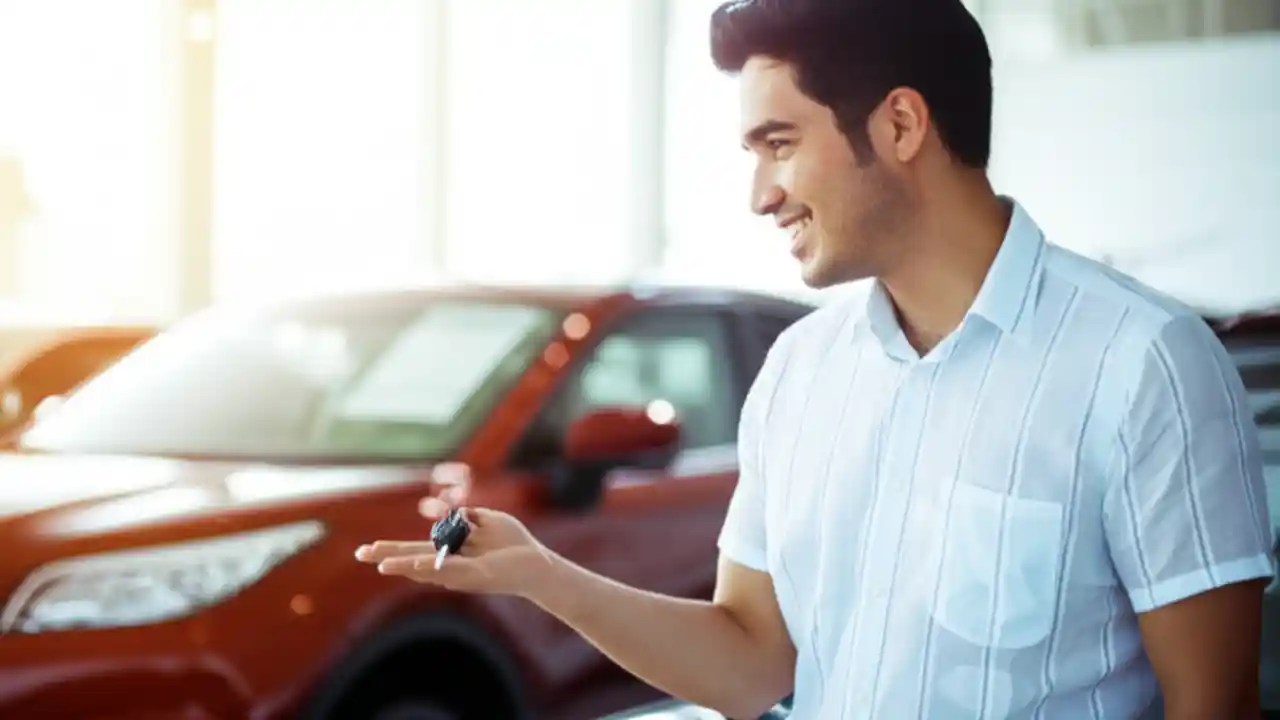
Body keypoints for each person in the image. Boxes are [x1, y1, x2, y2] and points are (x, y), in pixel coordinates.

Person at [356, 0, 1274, 716]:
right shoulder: (800, 375)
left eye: (779, 144)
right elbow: (752, 663)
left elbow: (1215, 704)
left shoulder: (1143, 363)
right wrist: (541, 576)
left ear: (902, 125)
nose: (760, 194)